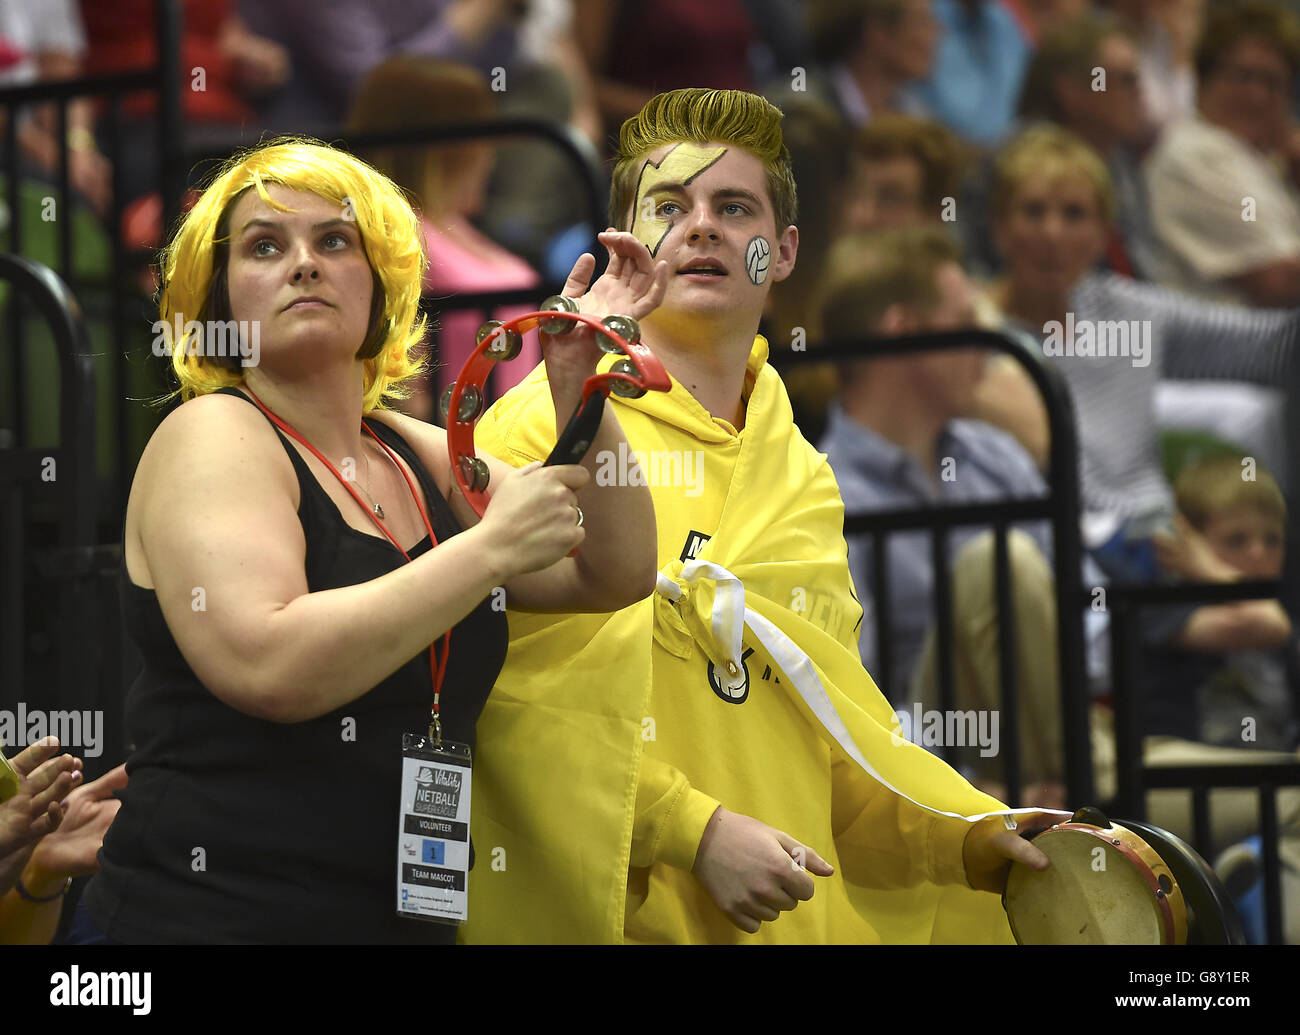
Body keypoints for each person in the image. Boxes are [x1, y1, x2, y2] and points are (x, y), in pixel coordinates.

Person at [465, 88, 1059, 945]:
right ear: (623, 248)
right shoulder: (540, 424)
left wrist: (966, 835)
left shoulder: (803, 472)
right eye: (670, 207)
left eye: (733, 208)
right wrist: (690, 829)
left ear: (780, 254)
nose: (702, 226)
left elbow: (831, 750)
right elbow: (496, 695)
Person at [74, 138, 658, 944]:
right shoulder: (210, 432)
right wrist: (486, 552)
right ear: (218, 307)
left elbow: (615, 571)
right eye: (265, 246)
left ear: (381, 287)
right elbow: (267, 661)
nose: (304, 263)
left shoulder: (409, 448)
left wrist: (574, 376)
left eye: (335, 240)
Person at [816, 227, 1116, 811]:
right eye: (967, 321)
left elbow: (1091, 606)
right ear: (903, 332)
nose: (989, 345)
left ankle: (1101, 804)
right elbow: (856, 699)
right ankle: (1108, 804)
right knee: (996, 564)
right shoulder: (820, 490)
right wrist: (960, 783)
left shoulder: (993, 454)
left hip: (1072, 739)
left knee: (1286, 796)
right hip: (932, 772)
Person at [1143, 455, 1300, 941]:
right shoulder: (1165, 607)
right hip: (1183, 779)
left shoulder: (1279, 613)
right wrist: (1211, 574)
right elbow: (1263, 626)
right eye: (1235, 541)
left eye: (1271, 540)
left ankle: (1259, 864)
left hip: (1263, 781)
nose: (1258, 554)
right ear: (1185, 544)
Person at [1142, 0, 1300, 307]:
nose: (1257, 95)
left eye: (1272, 83)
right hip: (1229, 349)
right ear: (1203, 79)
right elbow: (1279, 281)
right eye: (1244, 76)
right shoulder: (1195, 153)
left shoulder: (1264, 158)